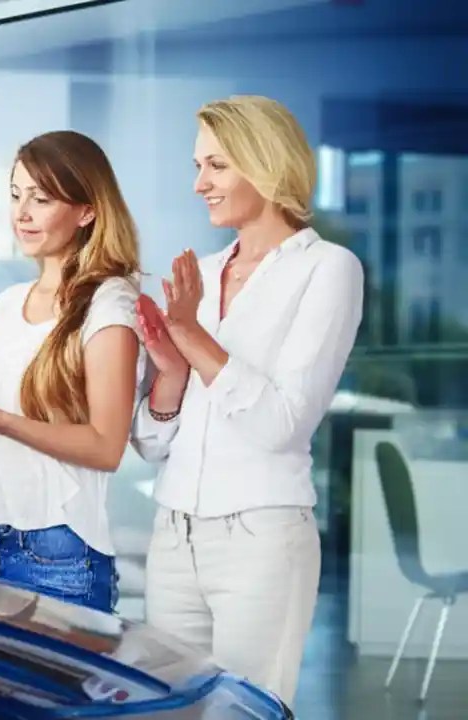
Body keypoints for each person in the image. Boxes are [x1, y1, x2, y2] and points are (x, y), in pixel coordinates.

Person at [131, 95, 364, 707]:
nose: (198, 183)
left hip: (260, 542)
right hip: (174, 534)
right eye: (197, 165)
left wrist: (195, 338)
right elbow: (153, 442)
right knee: (173, 709)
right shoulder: (200, 275)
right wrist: (170, 372)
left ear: (263, 163)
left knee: (244, 712)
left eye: (215, 165)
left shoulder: (329, 269)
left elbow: (282, 425)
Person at [0, 130, 142, 613]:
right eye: (16, 195)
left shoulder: (110, 303)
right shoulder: (7, 304)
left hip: (58, 552)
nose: (22, 213)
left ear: (87, 210)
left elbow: (106, 445)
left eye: (42, 198)